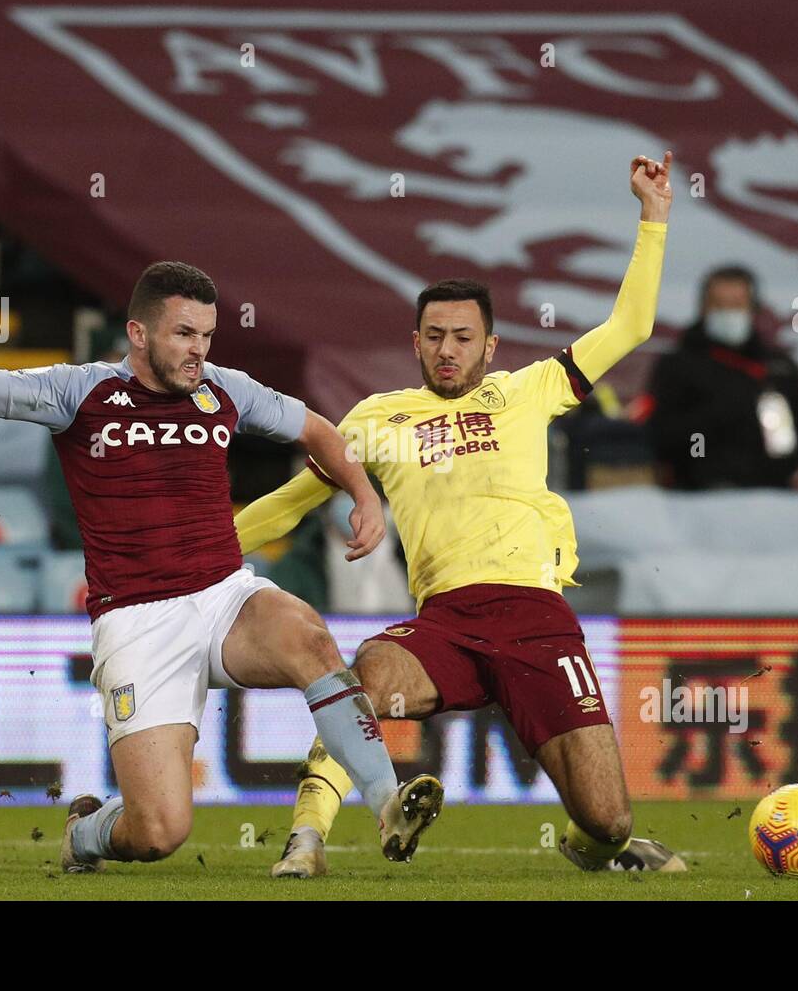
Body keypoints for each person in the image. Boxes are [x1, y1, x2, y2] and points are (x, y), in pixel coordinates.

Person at [236, 152, 686, 878]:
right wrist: (197, 553)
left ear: (491, 346)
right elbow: (289, 506)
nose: (448, 351)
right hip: (444, 620)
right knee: (365, 676)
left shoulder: (530, 390)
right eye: (435, 337)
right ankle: (306, 842)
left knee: (609, 819)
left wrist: (654, 217)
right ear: (415, 342)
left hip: (539, 619)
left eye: (464, 338)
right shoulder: (377, 419)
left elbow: (630, 325)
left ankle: (592, 845)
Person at [0, 262, 442, 873]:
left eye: (206, 335)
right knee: (157, 833)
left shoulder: (224, 389)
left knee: (310, 638)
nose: (197, 350)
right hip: (137, 623)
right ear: (139, 334)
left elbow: (316, 429)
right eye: (183, 334)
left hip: (225, 597)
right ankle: (87, 832)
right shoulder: (78, 390)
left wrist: (362, 494)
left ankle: (388, 803)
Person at [646, 265, 798, 490]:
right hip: (705, 496)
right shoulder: (679, 366)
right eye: (719, 305)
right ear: (703, 309)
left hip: (781, 495)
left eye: (736, 305)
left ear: (752, 309)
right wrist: (715, 422)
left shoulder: (778, 366)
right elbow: (666, 436)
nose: (728, 313)